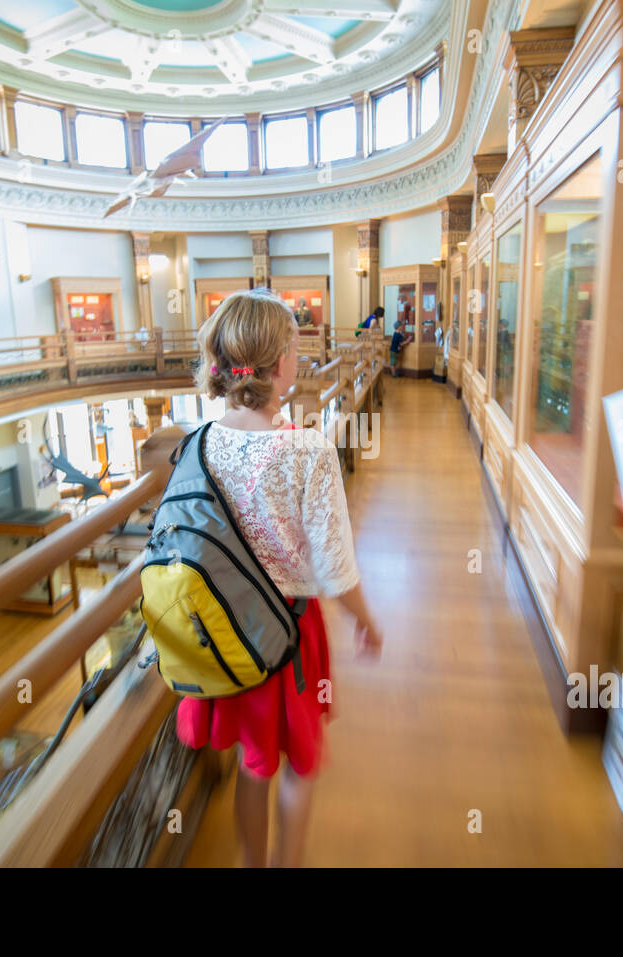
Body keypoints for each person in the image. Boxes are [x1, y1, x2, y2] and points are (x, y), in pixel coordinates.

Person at [184, 287, 383, 867]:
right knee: (299, 762)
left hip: (226, 633)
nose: (300, 356)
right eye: (295, 346)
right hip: (290, 635)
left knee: (254, 760)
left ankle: (251, 863)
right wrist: (368, 624)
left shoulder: (200, 444)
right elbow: (335, 571)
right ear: (276, 364)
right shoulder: (307, 451)